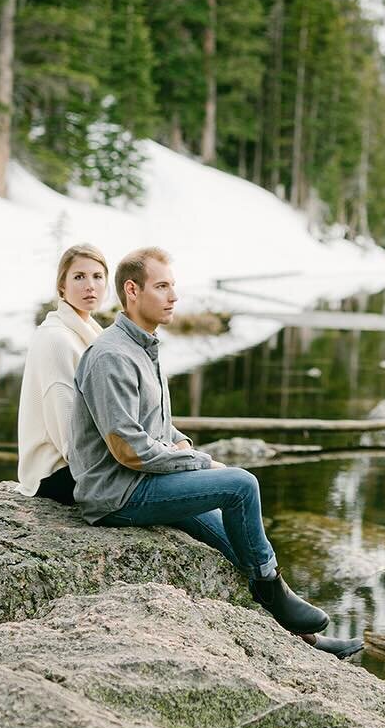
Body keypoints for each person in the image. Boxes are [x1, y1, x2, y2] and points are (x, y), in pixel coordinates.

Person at [68, 246, 359, 657]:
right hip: (119, 494)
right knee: (241, 484)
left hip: (147, 481)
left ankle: (304, 640)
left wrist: (184, 444)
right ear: (132, 291)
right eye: (163, 286)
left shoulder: (142, 347)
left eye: (174, 286)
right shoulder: (111, 356)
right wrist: (201, 461)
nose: (174, 297)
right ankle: (273, 589)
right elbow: (128, 450)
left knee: (236, 541)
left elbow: (158, 425)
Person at [16, 243, 109, 504]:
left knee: (182, 489)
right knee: (173, 488)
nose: (90, 285)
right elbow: (71, 440)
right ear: (62, 287)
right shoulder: (57, 339)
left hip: (80, 466)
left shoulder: (88, 331)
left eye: (97, 276)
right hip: (56, 474)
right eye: (79, 277)